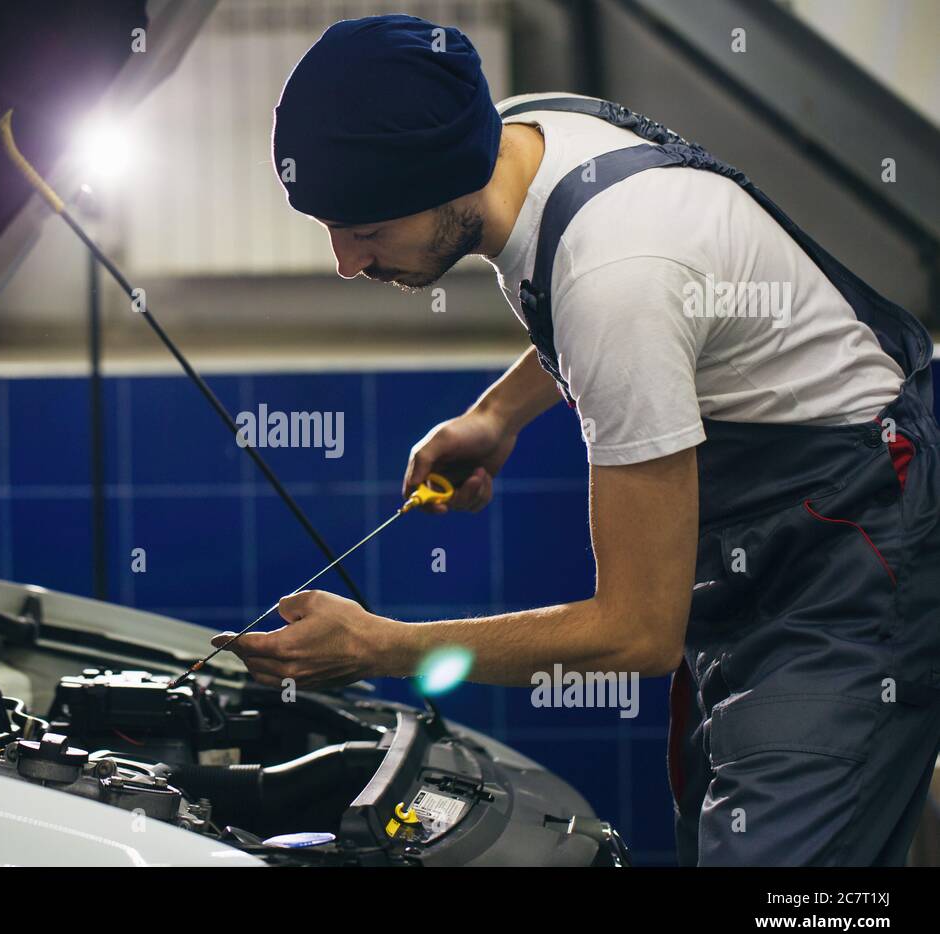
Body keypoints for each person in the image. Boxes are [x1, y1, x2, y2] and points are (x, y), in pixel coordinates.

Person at [219, 13, 940, 866]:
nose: (345, 261)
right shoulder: (531, 132)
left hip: (862, 548)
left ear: (448, 180)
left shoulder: (617, 274)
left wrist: (383, 645)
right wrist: (498, 413)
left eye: (367, 231)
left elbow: (637, 633)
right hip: (771, 538)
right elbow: (618, 308)